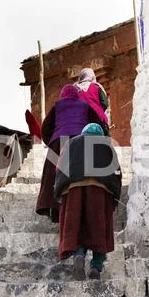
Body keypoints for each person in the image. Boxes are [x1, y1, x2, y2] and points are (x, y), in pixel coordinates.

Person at [54, 123, 122, 280]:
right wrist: (114, 193)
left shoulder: (71, 143)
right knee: (99, 227)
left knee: (78, 223)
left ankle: (79, 254)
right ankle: (96, 266)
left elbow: (59, 168)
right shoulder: (106, 144)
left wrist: (59, 191)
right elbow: (116, 170)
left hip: (73, 189)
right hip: (100, 190)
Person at [36, 84, 107, 222]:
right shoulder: (84, 105)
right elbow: (97, 122)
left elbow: (46, 127)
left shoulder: (57, 106)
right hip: (80, 142)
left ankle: (54, 211)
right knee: (80, 176)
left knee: (53, 175)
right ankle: (81, 210)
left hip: (59, 143)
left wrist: (51, 141)